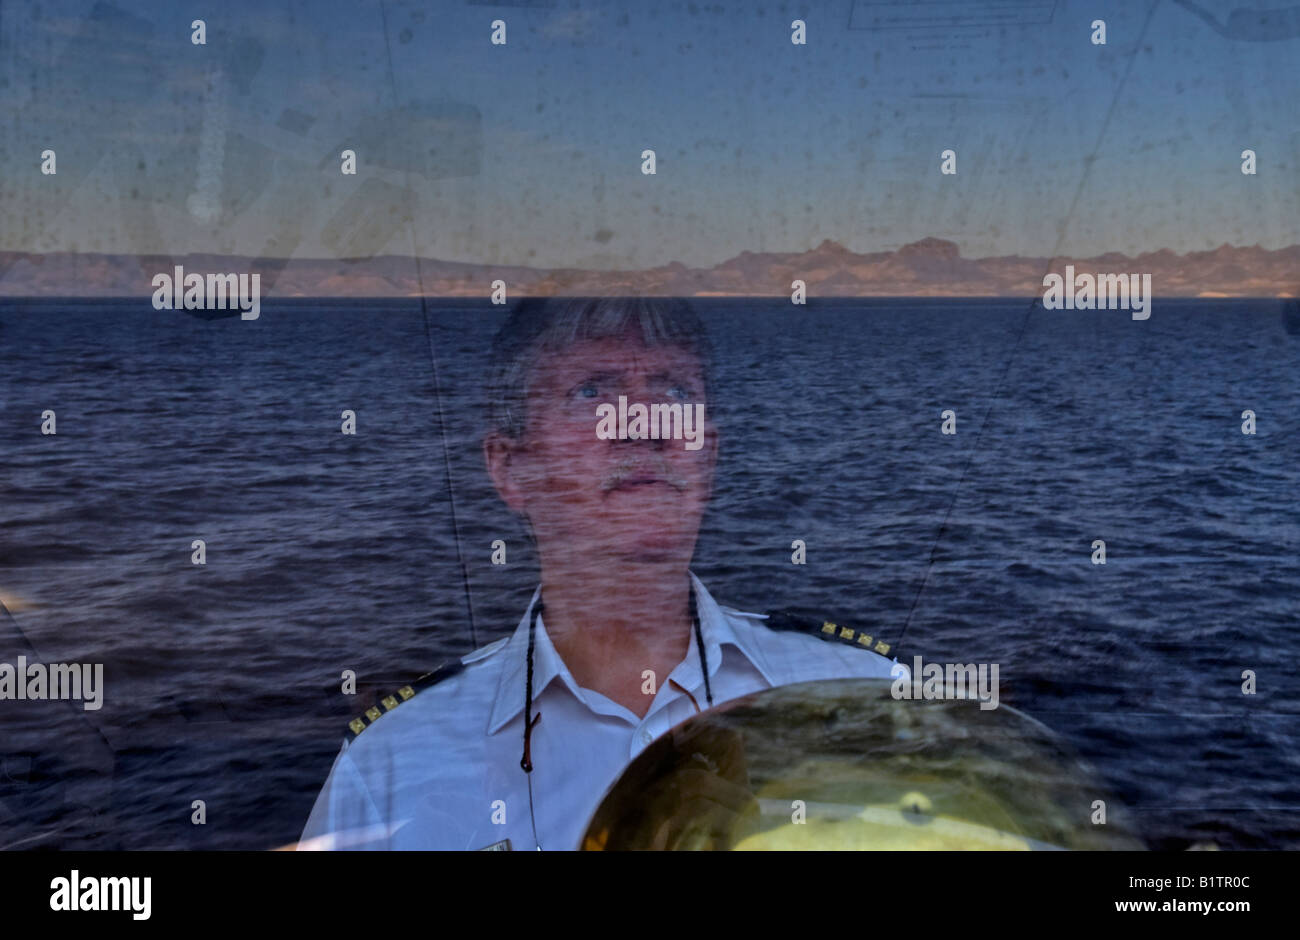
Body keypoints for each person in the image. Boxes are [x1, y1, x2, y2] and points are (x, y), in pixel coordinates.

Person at [300, 296, 901, 851]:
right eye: (592, 392)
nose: (644, 425)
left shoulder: (874, 703)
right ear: (511, 467)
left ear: (708, 459)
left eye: (673, 394)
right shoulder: (389, 768)